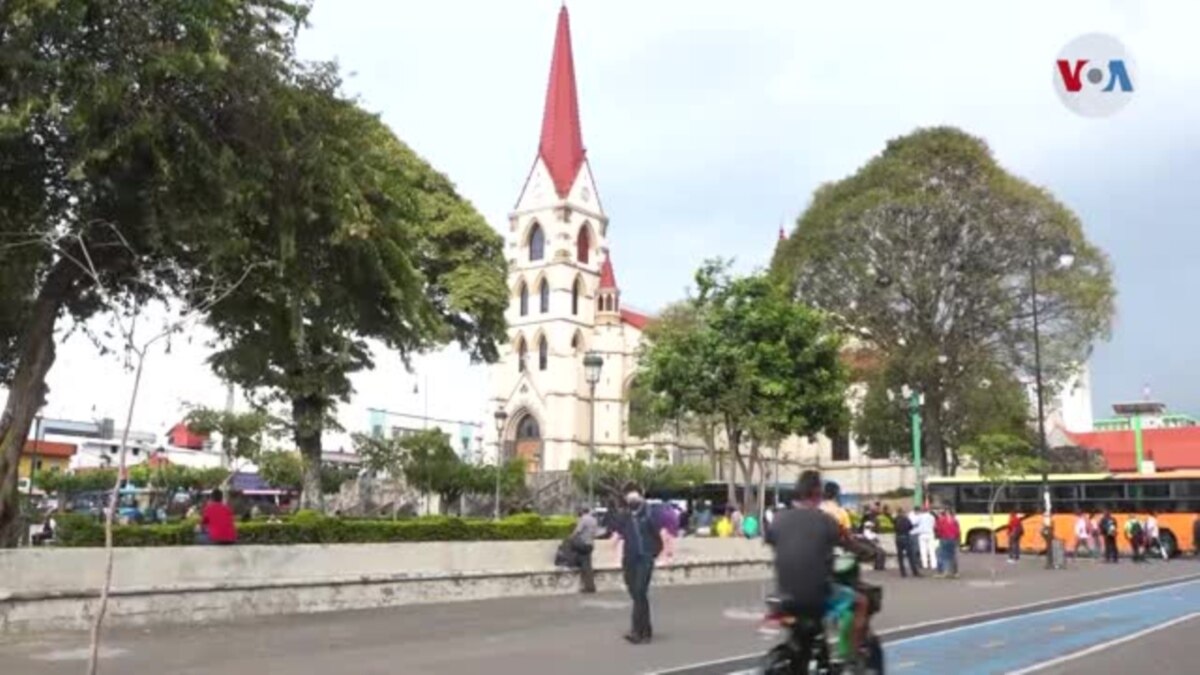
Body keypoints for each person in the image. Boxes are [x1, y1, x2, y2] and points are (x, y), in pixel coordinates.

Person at [765, 470, 870, 671]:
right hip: (816, 594)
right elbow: (849, 543)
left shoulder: (778, 520)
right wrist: (869, 552)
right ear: (816, 493)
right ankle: (848, 659)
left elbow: (776, 543)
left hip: (782, 595)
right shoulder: (826, 521)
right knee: (860, 602)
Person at [611, 483, 673, 644]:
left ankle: (637, 632)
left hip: (645, 558)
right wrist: (613, 552)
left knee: (639, 592)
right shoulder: (624, 515)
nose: (631, 499)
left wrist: (666, 555)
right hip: (629, 559)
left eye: (634, 495)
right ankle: (646, 629)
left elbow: (664, 534)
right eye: (628, 496)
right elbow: (617, 535)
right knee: (636, 594)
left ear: (640, 496)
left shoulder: (651, 513)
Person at [571, 506, 599, 593]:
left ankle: (588, 587)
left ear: (582, 512)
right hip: (590, 545)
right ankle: (590, 585)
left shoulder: (583, 519)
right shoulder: (594, 520)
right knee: (588, 565)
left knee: (585, 566)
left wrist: (570, 537)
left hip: (583, 544)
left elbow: (577, 531)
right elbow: (595, 533)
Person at [892, 508, 921, 578]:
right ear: (903, 513)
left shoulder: (895, 520)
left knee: (900, 556)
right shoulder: (906, 519)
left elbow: (894, 527)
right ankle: (915, 572)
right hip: (906, 537)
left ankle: (903, 572)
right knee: (910, 556)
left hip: (898, 537)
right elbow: (910, 527)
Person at [934, 508, 960, 578]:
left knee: (943, 556)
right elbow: (958, 531)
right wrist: (957, 539)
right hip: (953, 539)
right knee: (952, 556)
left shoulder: (941, 520)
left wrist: (938, 536)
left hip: (944, 538)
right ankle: (955, 573)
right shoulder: (954, 520)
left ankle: (945, 572)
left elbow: (938, 529)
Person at [912, 506, 937, 571]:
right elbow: (934, 525)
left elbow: (914, 523)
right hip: (930, 534)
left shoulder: (920, 517)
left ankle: (925, 565)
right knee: (931, 550)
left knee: (923, 550)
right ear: (928, 510)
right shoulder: (932, 517)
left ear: (923, 510)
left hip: (922, 535)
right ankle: (933, 565)